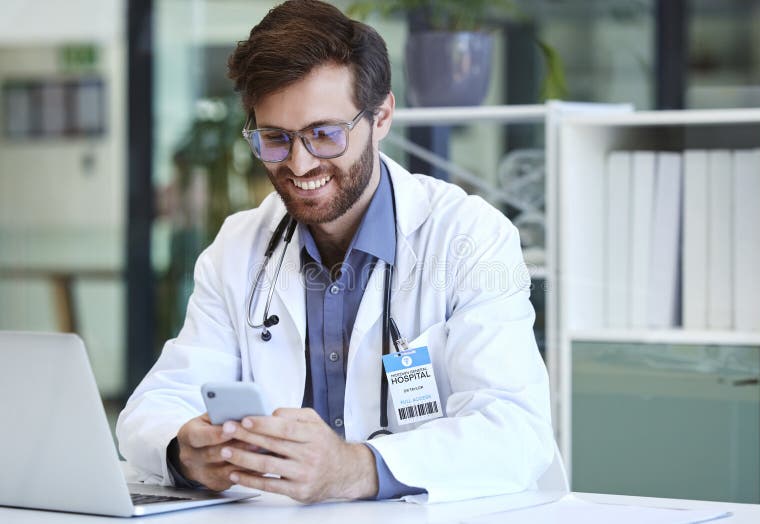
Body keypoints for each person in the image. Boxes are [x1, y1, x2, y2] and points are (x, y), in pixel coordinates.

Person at [117, 0, 554, 504]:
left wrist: (353, 468)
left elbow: (516, 431)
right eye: (275, 139)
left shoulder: (470, 237)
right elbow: (155, 406)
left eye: (324, 135)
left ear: (381, 116)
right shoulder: (238, 247)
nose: (300, 164)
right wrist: (184, 452)